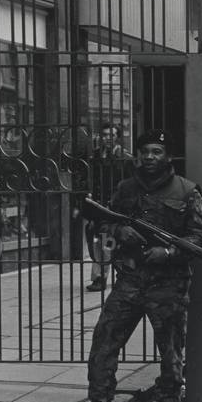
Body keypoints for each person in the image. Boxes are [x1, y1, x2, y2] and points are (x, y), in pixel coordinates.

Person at [59, 129, 202, 402]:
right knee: (105, 339)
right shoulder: (126, 189)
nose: (150, 157)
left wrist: (167, 252)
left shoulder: (187, 191)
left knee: (170, 351)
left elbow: (200, 240)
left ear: (168, 156)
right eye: (144, 152)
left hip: (168, 285)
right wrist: (119, 228)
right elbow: (101, 222)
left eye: (156, 151)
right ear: (137, 155)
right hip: (130, 280)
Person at [85, 123, 128, 291]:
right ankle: (99, 277)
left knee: (112, 241)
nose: (107, 138)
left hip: (116, 208)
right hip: (97, 206)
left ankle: (119, 274)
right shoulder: (95, 156)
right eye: (104, 135)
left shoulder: (123, 157)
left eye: (111, 135)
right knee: (98, 242)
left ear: (117, 137)